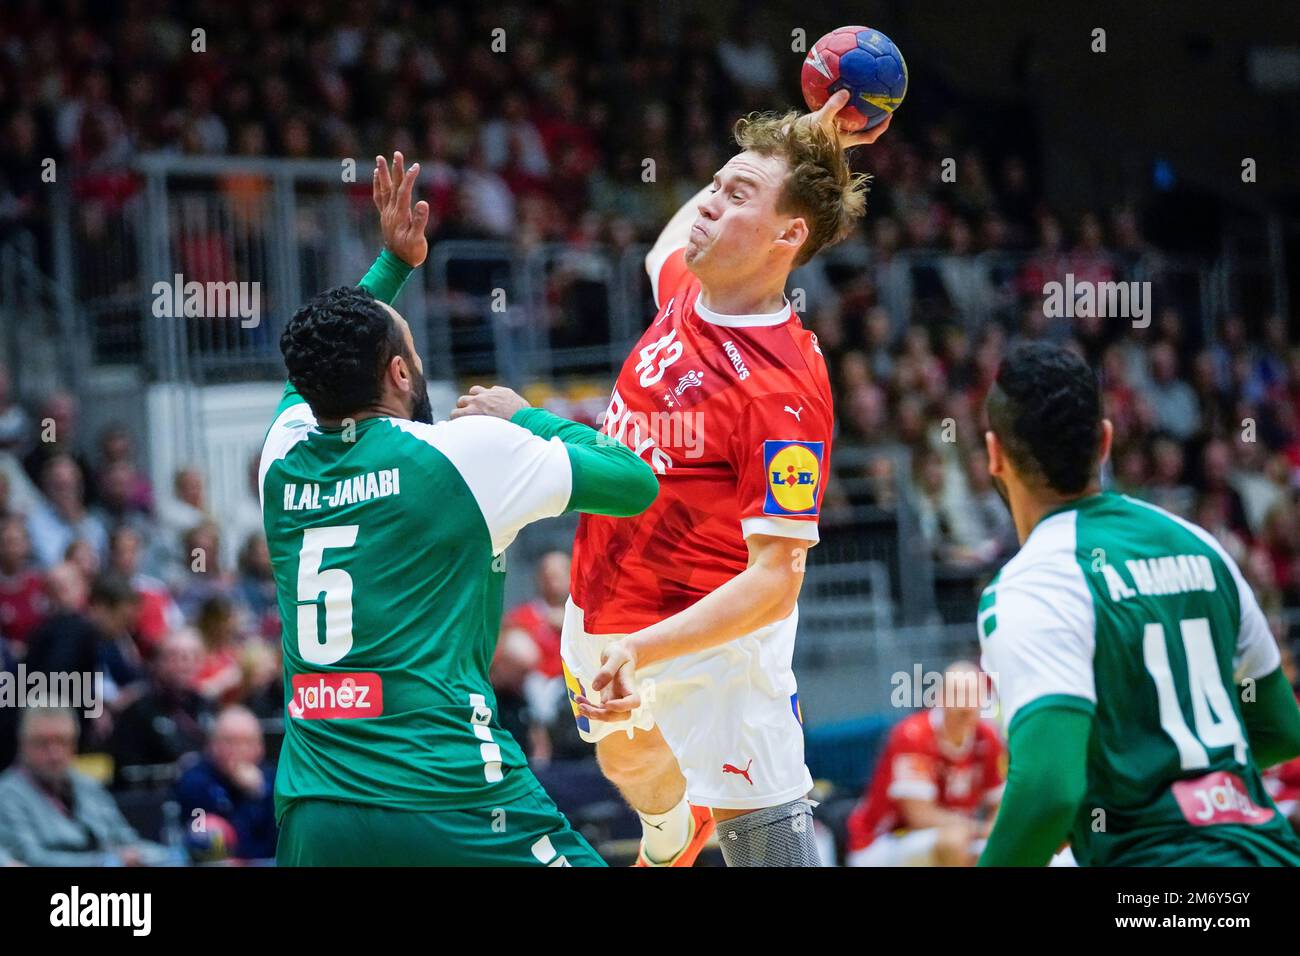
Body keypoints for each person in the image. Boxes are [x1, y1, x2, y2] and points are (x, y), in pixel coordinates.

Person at [494, 90, 887, 867]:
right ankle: (674, 832)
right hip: (602, 608)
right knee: (626, 760)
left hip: (716, 647)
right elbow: (663, 245)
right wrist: (801, 139)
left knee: (771, 854)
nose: (707, 202)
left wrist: (644, 651)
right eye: (714, 183)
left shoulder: (782, 392)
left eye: (736, 194)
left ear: (788, 234)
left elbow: (777, 582)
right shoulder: (687, 289)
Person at [269, 154, 657, 867]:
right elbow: (635, 483)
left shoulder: (282, 453)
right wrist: (529, 416)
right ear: (399, 373)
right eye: (409, 350)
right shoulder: (463, 453)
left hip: (314, 807)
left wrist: (390, 265)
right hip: (452, 793)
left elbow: (315, 369)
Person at [977, 343, 1300, 866]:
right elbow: (1282, 730)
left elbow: (1047, 792)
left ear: (994, 454)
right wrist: (1181, 782)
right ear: (1105, 442)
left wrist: (1139, 793)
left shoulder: (1031, 583)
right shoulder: (1202, 547)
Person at [845, 662, 1004, 866]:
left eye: (973, 696)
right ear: (940, 697)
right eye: (958, 694)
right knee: (953, 842)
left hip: (954, 833)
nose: (965, 705)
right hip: (881, 842)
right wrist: (981, 829)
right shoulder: (914, 734)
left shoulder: (987, 738)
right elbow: (919, 816)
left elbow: (999, 804)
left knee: (1007, 846)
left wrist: (993, 829)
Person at [0, 708, 167, 866]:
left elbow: (128, 840)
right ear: (23, 745)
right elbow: (31, 859)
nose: (54, 754)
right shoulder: (7, 794)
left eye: (63, 741)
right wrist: (108, 862)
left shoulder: (88, 786)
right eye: (43, 743)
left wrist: (158, 856)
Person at [174, 705, 277, 862]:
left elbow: (278, 838)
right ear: (212, 745)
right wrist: (248, 796)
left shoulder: (273, 780)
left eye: (248, 742)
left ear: (260, 748)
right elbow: (202, 840)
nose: (240, 750)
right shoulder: (194, 781)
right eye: (231, 742)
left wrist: (259, 792)